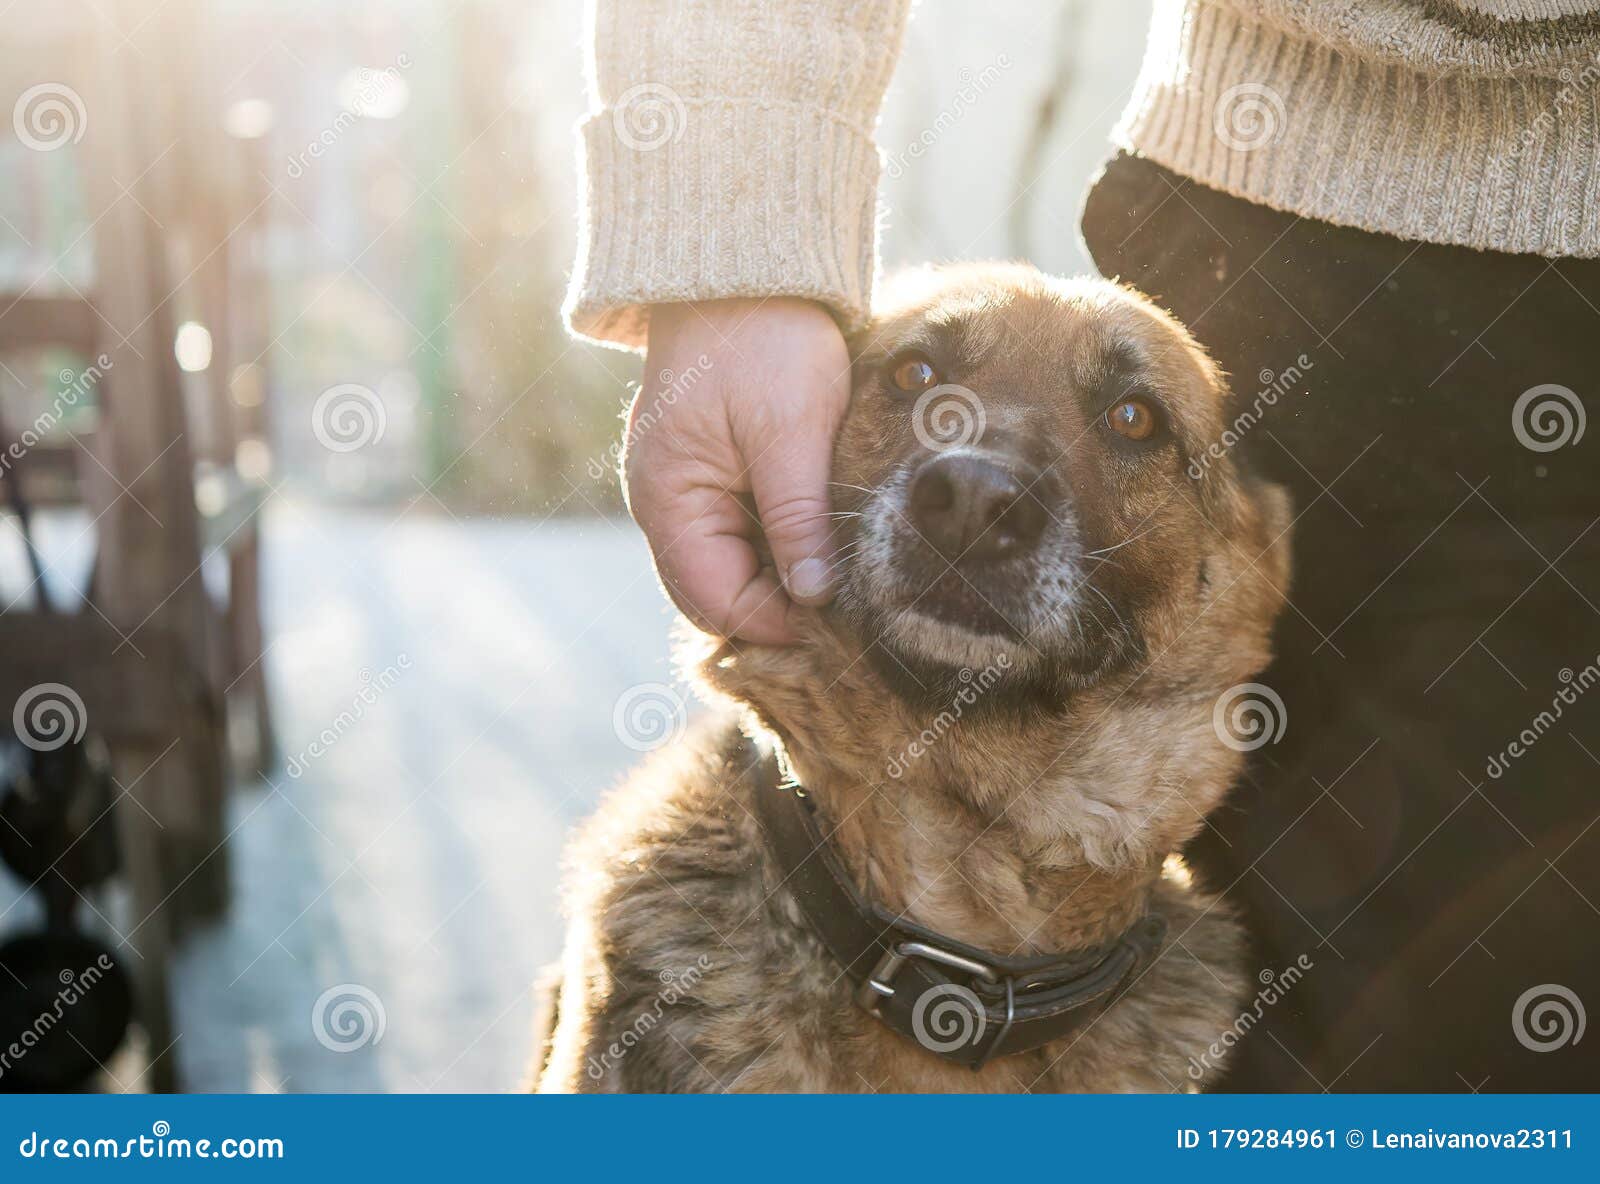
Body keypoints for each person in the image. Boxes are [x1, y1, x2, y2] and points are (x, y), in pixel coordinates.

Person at [565, 0, 1600, 1090]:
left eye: (1129, 423)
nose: (978, 478)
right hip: (1273, 218)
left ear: (1241, 563)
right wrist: (731, 240)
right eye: (917, 380)